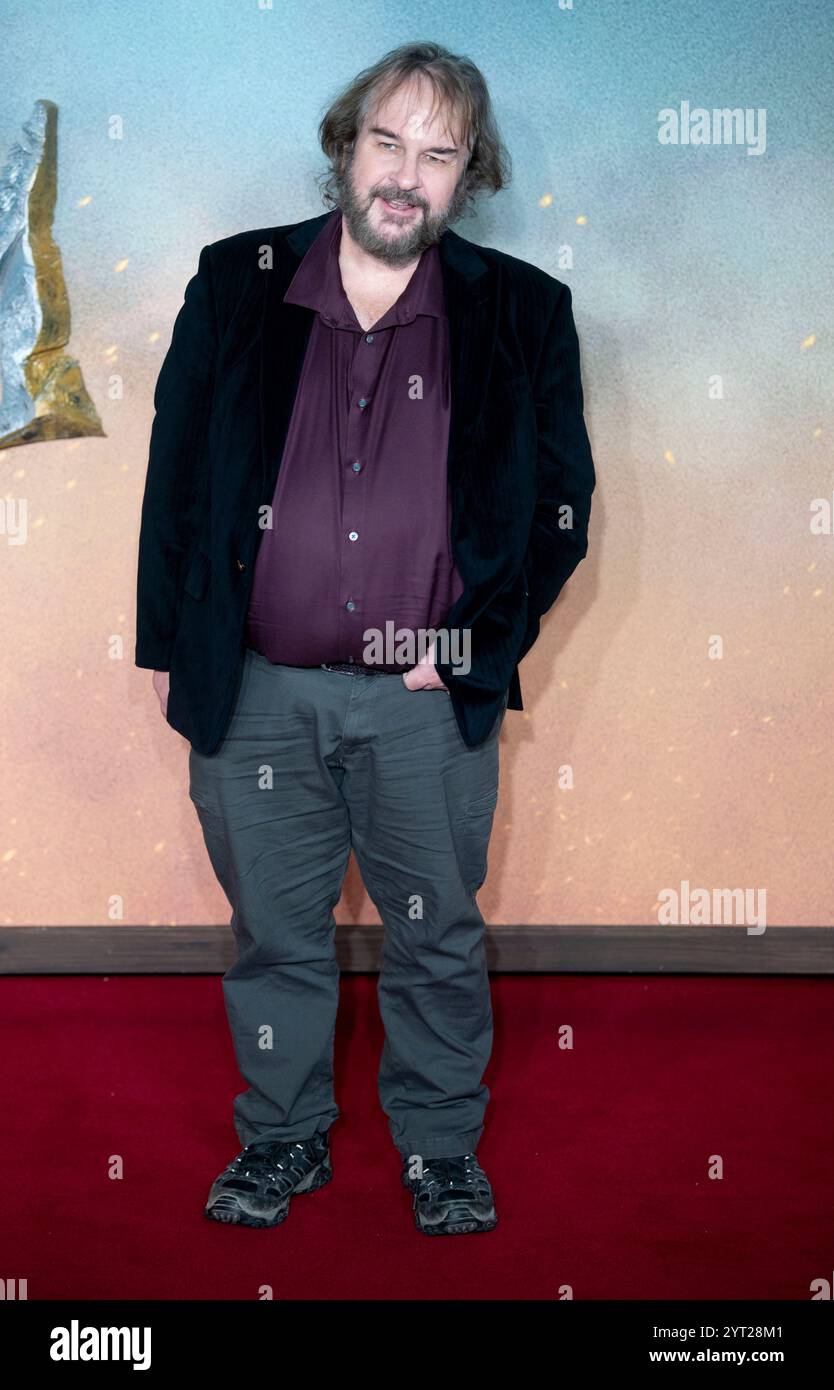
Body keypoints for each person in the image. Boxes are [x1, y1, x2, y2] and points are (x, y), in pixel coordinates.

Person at [135, 40, 595, 1236]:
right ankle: (282, 1138)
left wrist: (480, 645)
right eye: (387, 142)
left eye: (438, 154)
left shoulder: (524, 313)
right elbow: (178, 477)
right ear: (347, 148)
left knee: (435, 934)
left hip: (423, 700)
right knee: (273, 938)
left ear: (466, 175)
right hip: (259, 694)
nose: (407, 174)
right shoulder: (238, 281)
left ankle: (440, 1144)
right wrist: (184, 656)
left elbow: (560, 505)